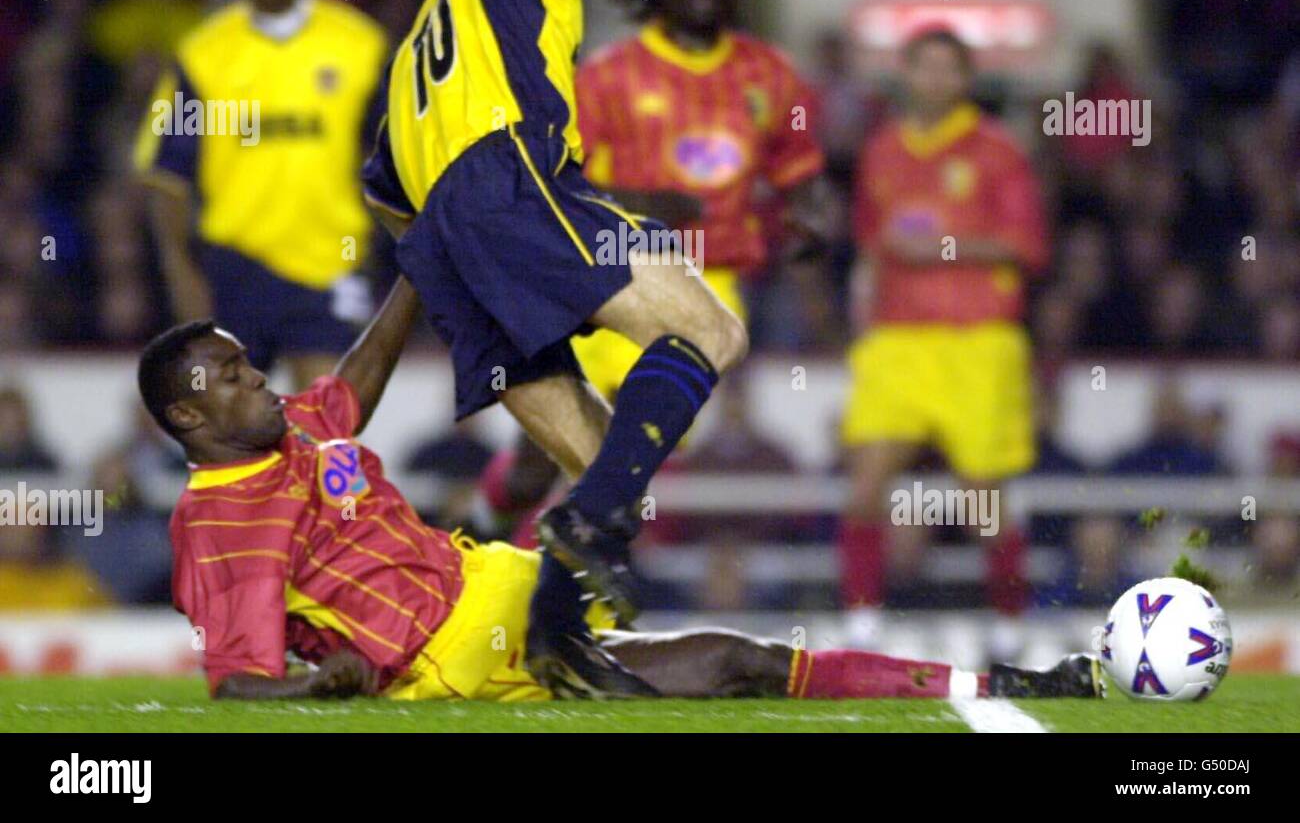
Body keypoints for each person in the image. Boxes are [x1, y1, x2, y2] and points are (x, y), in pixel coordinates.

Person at [139, 284, 1101, 703]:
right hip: (451, 658)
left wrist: (417, 271)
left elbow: (361, 378)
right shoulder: (218, 522)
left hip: (494, 589)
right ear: (186, 421)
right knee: (725, 656)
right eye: (226, 379)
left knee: (741, 661)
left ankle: (1007, 684)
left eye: (245, 364)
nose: (254, 379)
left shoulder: (302, 425)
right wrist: (316, 683)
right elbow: (235, 679)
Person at [360, 0, 745, 688]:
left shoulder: (444, 20)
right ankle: (577, 540)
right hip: (508, 182)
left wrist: (456, 276)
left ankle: (555, 640)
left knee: (606, 464)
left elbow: (383, 185)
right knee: (713, 330)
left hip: (443, 242)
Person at [473, 0, 834, 533]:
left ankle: (560, 579)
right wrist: (637, 203)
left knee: (624, 448)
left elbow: (803, 175)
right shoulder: (609, 78)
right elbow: (547, 183)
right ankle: (492, 519)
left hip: (709, 283)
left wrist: (809, 217)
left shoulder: (773, 77)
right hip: (609, 271)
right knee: (555, 455)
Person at [839, 25, 1048, 650]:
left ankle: (1012, 621)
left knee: (982, 494)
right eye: (922, 66)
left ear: (966, 79)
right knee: (867, 480)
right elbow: (871, 244)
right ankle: (862, 617)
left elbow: (1029, 247)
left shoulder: (997, 151)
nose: (934, 79)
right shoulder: (880, 151)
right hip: (898, 340)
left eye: (947, 69)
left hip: (975, 339)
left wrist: (940, 250)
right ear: (905, 73)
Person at [134, 0, 389, 389]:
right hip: (234, 264)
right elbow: (168, 173)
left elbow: (395, 155)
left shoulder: (359, 44)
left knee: (328, 421)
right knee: (235, 425)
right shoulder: (203, 55)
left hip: (330, 259)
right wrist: (181, 271)